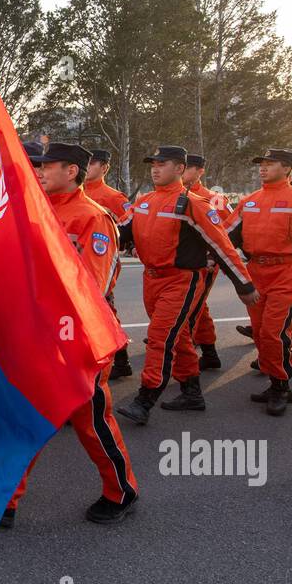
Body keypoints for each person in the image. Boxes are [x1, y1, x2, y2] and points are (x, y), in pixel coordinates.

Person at [0, 143, 139, 526]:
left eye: (46, 166)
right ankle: (2, 497)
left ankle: (122, 491)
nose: (38, 171)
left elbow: (91, 287)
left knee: (92, 423)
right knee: (24, 414)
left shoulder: (93, 218)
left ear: (72, 171)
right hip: (37, 335)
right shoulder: (37, 211)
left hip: (78, 341)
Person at [116, 146, 259, 425]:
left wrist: (244, 285)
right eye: (153, 164)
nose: (155, 168)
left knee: (160, 338)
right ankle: (192, 392)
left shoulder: (193, 203)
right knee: (178, 337)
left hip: (181, 280)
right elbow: (119, 233)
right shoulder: (144, 201)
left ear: (180, 169)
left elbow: (223, 246)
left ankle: (145, 399)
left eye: (163, 163)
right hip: (151, 280)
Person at [224, 148, 292, 414]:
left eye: (270, 163)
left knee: (273, 332)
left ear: (287, 168)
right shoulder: (249, 201)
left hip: (287, 271)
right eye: (261, 163)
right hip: (255, 272)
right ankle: (274, 377)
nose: (263, 168)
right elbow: (226, 235)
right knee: (260, 332)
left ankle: (281, 386)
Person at [83, 149, 135, 380]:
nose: (88, 168)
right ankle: (119, 359)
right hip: (79, 266)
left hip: (102, 265)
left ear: (104, 168)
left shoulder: (113, 197)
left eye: (92, 163)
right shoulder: (77, 192)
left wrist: (122, 245)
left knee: (105, 312)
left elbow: (131, 225)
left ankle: (118, 360)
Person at [182, 153, 224, 370]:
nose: (183, 172)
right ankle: (209, 351)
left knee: (192, 308)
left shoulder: (212, 198)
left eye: (188, 168)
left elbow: (227, 231)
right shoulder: (175, 193)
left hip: (205, 263)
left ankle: (186, 364)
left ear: (200, 172)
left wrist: (211, 257)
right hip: (183, 264)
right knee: (199, 306)